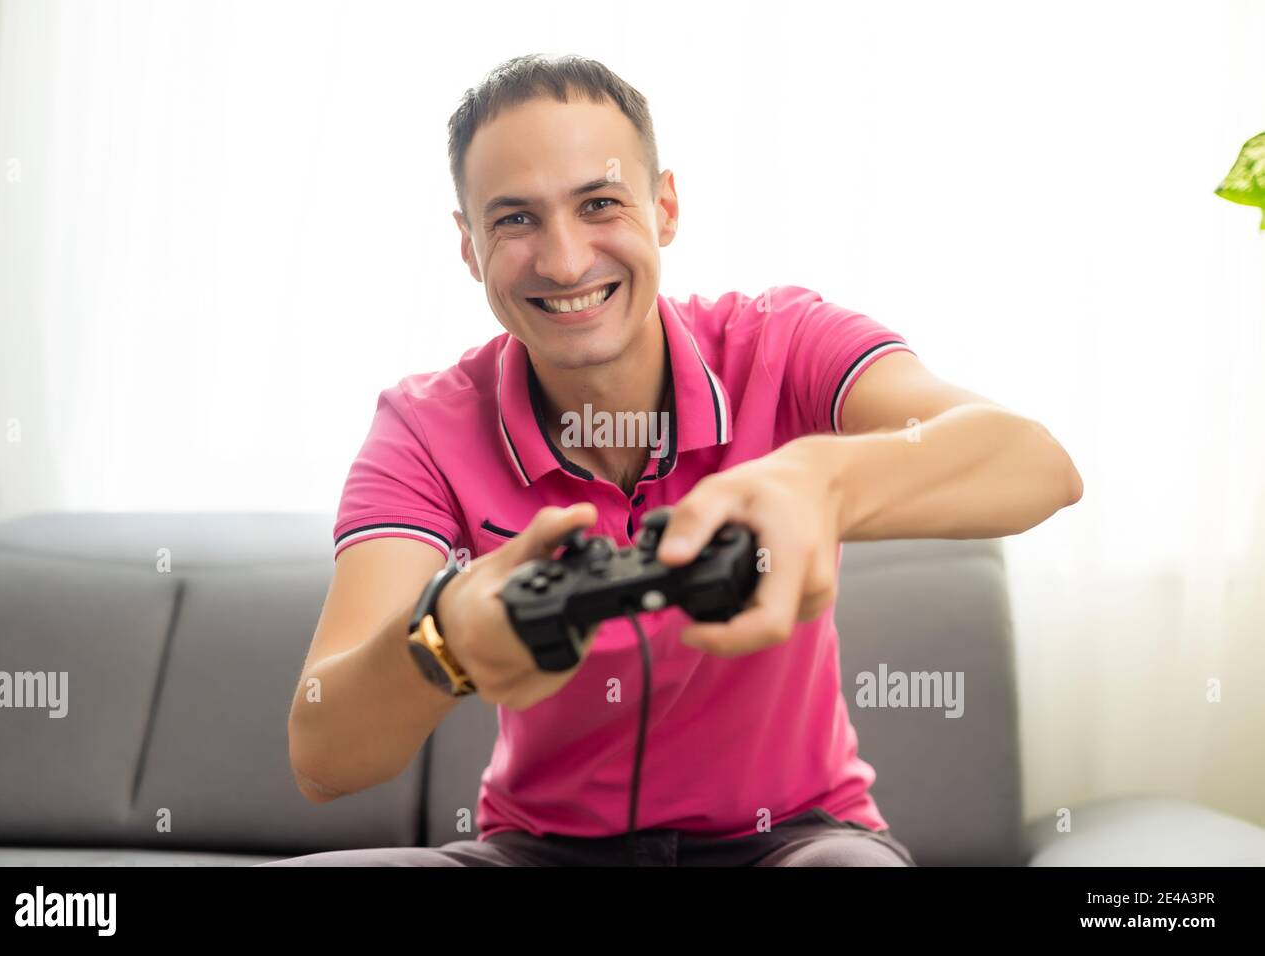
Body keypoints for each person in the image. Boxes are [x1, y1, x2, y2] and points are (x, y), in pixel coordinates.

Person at [262, 54, 1083, 867]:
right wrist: (445, 641)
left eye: (600, 204)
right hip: (537, 852)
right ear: (469, 248)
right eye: (514, 219)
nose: (565, 260)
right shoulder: (423, 426)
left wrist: (820, 480)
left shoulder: (783, 344)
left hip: (793, 839)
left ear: (665, 208)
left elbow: (1037, 466)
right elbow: (324, 755)